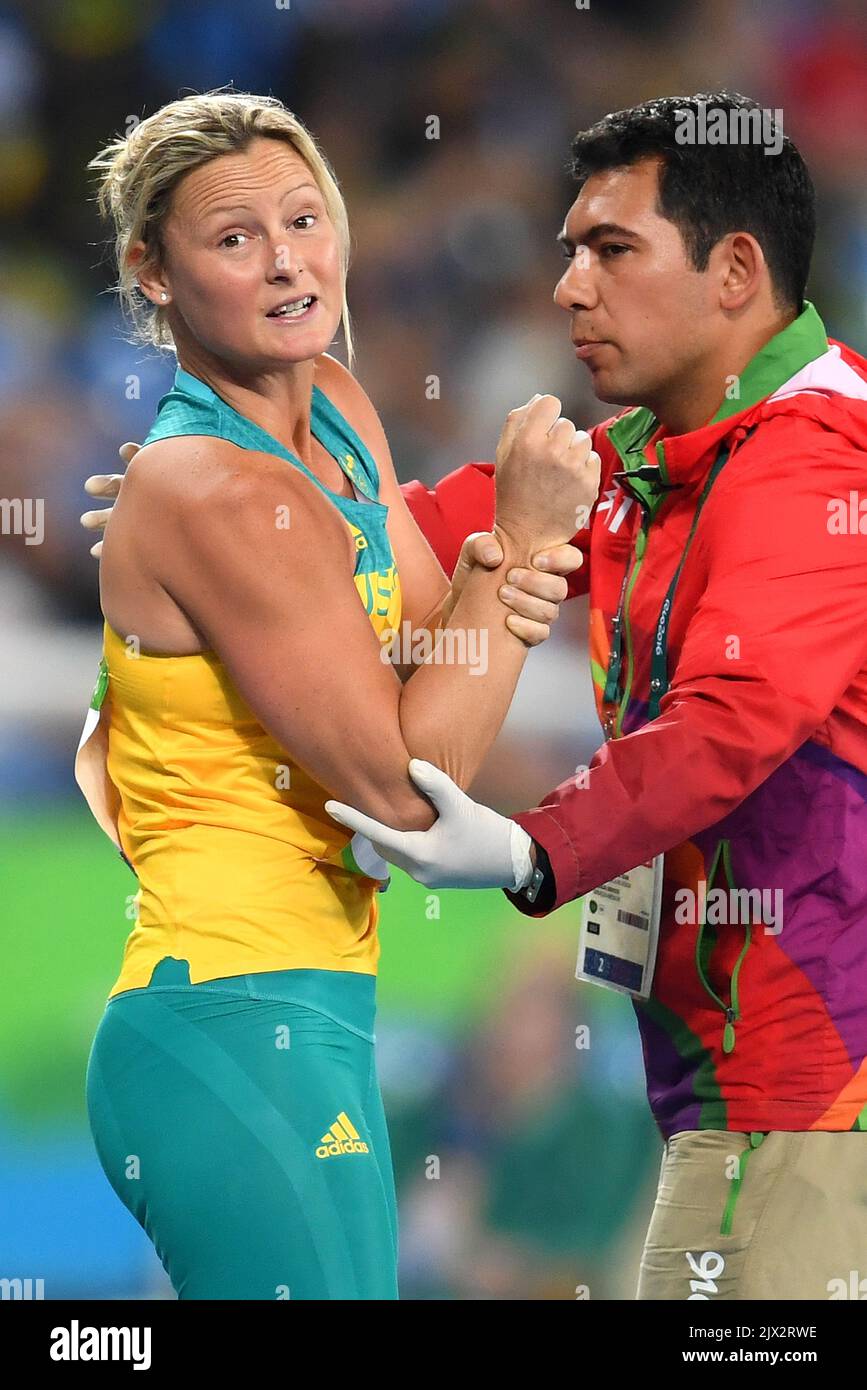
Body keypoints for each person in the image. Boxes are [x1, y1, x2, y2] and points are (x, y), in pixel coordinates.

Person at [318, 93, 867, 1300]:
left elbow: (735, 721)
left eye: (611, 250)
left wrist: (529, 847)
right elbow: (395, 560)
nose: (569, 286)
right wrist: (229, 499)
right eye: (570, 250)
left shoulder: (819, 460)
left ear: (734, 271)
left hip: (817, 1106)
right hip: (739, 1102)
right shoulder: (642, 462)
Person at [77, 89, 601, 1301]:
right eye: (233, 238)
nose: (286, 263)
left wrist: (492, 587)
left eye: (305, 219)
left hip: (311, 1011)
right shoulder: (204, 489)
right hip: (222, 1018)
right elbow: (411, 800)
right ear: (150, 274)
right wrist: (516, 549)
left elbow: (437, 672)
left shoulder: (347, 418)